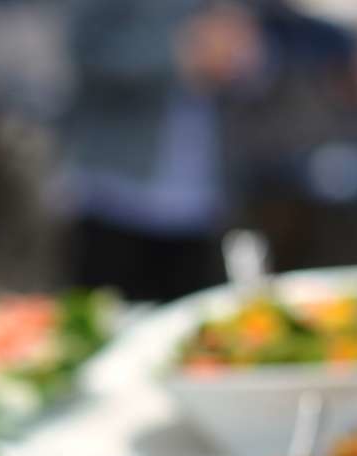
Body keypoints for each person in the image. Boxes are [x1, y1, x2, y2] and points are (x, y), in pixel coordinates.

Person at [59, 1, 266, 302]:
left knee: (191, 326)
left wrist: (241, 56)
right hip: (117, 191)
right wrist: (182, 55)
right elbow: (85, 48)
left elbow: (258, 65)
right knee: (109, 321)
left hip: (201, 201)